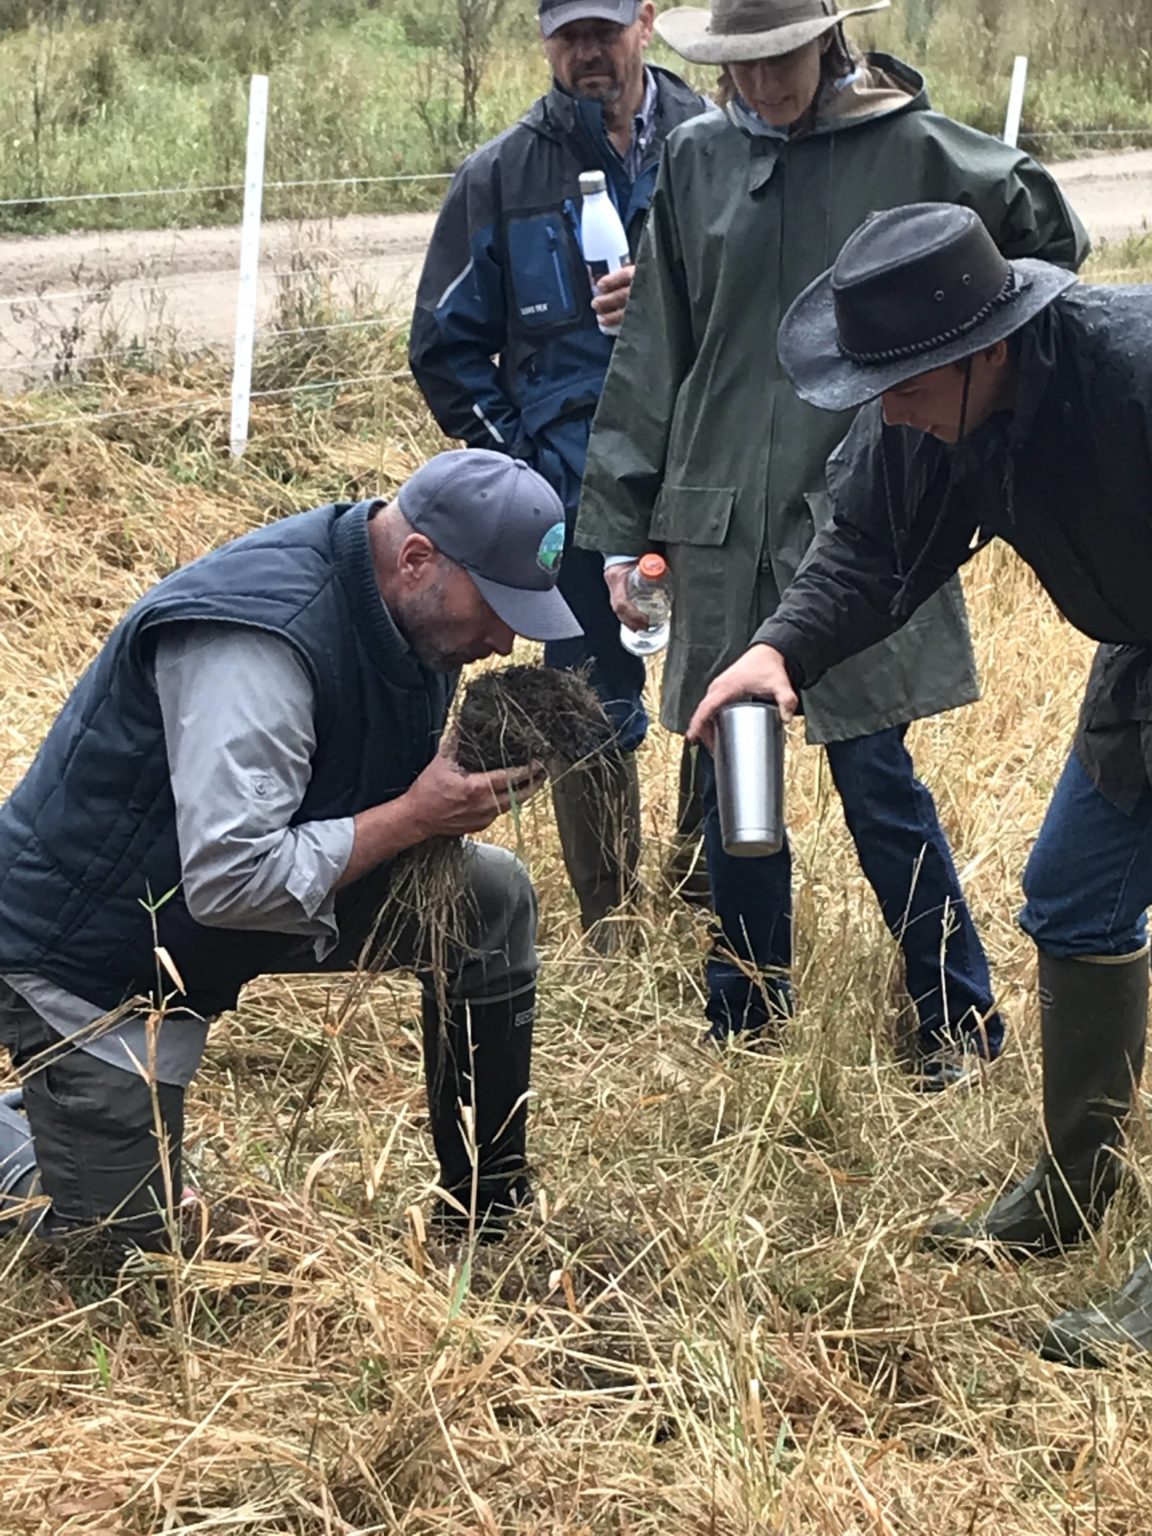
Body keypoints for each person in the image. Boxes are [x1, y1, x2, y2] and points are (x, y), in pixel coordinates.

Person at [576, 0, 1088, 1078]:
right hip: (723, 527)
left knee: (876, 776)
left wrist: (984, 411)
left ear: (827, 43)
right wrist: (622, 528)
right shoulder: (703, 159)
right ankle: (749, 1016)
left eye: (782, 61)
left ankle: (957, 1020)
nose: (763, 86)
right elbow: (655, 349)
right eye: (743, 68)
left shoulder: (910, 143)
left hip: (867, 514)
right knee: (744, 780)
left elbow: (1045, 233)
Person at [689, 201, 1152, 1365]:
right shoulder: (930, 410)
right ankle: (1077, 1184)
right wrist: (776, 652)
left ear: (987, 345)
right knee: (1073, 898)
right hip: (1142, 645)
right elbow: (866, 549)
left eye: (896, 382)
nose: (880, 404)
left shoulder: (1132, 379)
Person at [0, 450, 578, 1256]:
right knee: (130, 1254)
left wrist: (443, 798)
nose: (505, 639)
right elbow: (233, 881)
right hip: (97, 956)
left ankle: (489, 1209)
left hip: (209, 915)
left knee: (490, 899)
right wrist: (416, 815)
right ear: (417, 560)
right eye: (495, 606)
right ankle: (43, 1123)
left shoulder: (406, 611)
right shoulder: (259, 643)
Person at [409, 0, 710, 950]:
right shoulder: (500, 176)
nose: (587, 51)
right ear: (545, 39)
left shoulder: (716, 145)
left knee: (724, 681)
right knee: (592, 705)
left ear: (646, 24)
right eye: (568, 31)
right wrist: (523, 469)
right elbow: (444, 349)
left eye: (605, 28)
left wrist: (670, 298)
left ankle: (712, 898)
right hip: (573, 493)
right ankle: (613, 925)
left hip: (707, 476)